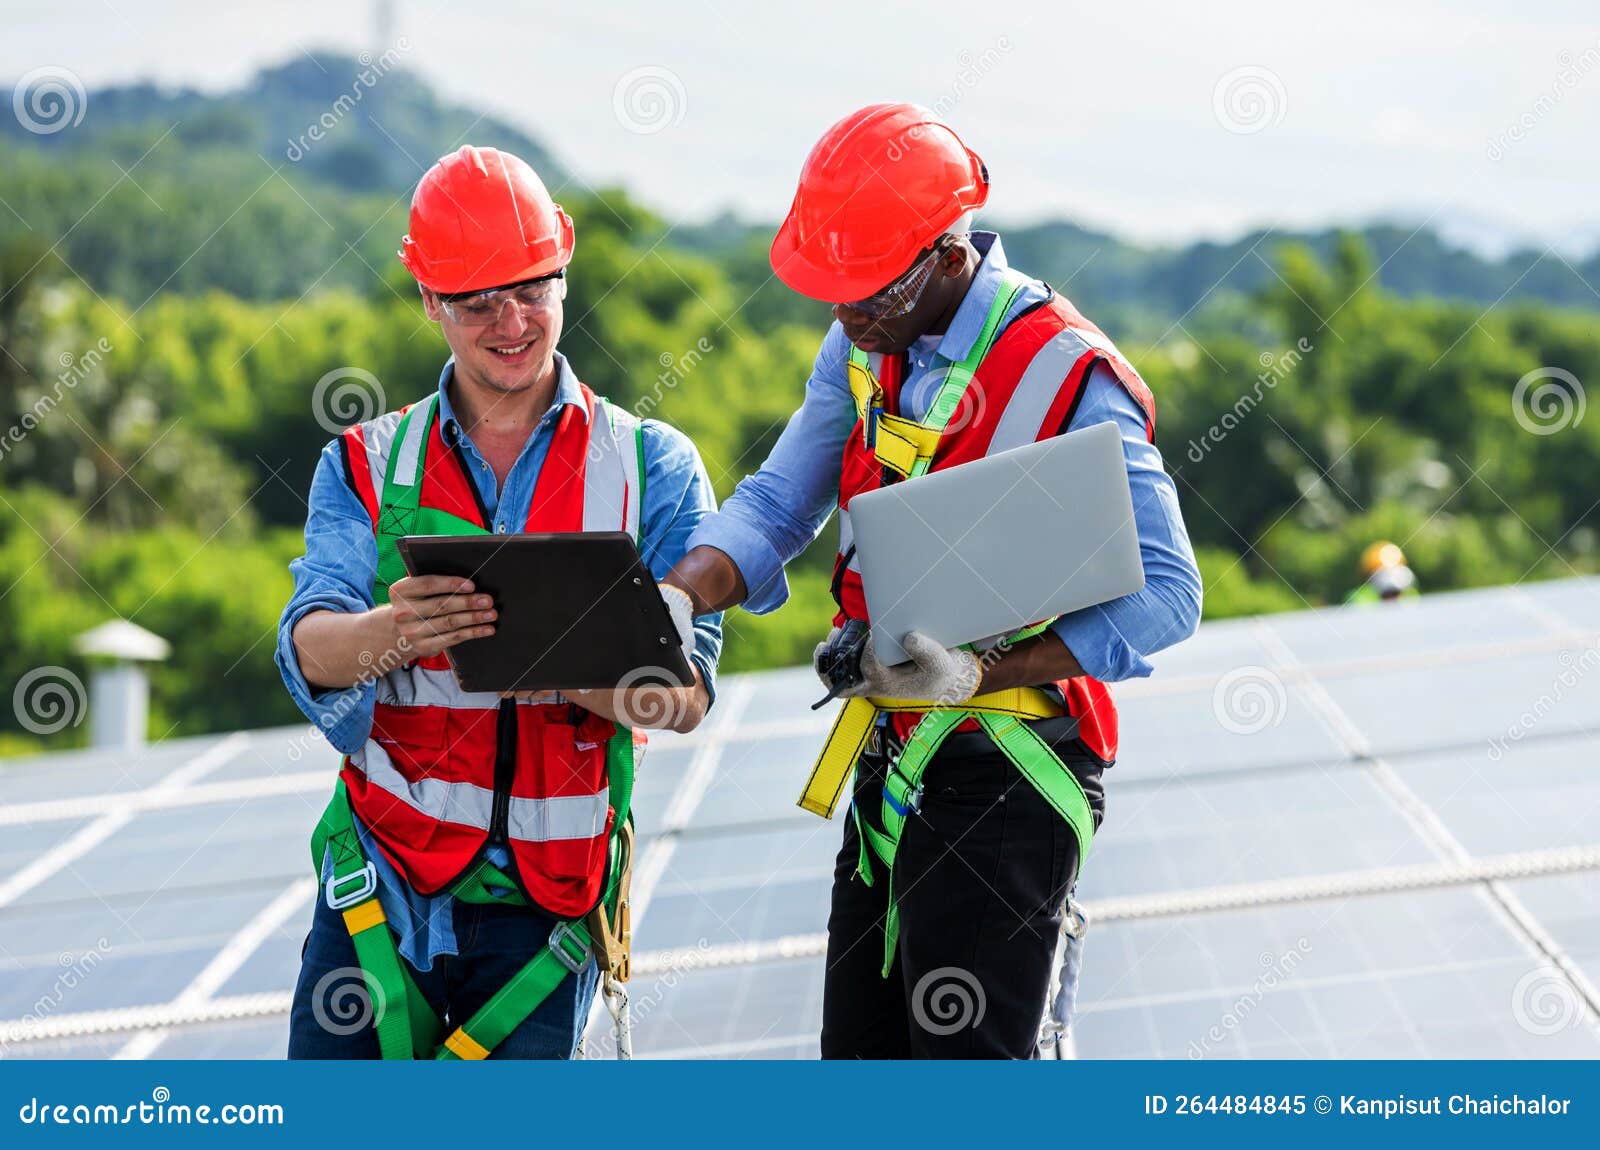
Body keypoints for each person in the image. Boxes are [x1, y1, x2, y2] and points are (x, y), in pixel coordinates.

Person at [664, 104, 1202, 1058]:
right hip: (893, 764)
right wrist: (680, 593)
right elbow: (780, 499)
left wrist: (971, 677)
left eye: (864, 292)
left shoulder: (1070, 376)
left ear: (950, 260)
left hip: (1009, 778)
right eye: (833, 294)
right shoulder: (866, 341)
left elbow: (1167, 596)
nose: (844, 317)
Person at [277, 145, 721, 1059]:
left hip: (545, 916)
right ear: (430, 301)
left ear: (564, 271)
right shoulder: (365, 465)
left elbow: (684, 699)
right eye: (477, 301)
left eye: (532, 289)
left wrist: (570, 661)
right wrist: (393, 634)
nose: (511, 321)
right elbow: (309, 647)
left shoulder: (652, 469)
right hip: (380, 893)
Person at [1345, 540, 1419, 603]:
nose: (1392, 600)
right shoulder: (1360, 602)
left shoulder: (1411, 598)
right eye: (1387, 594)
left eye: (1394, 593)